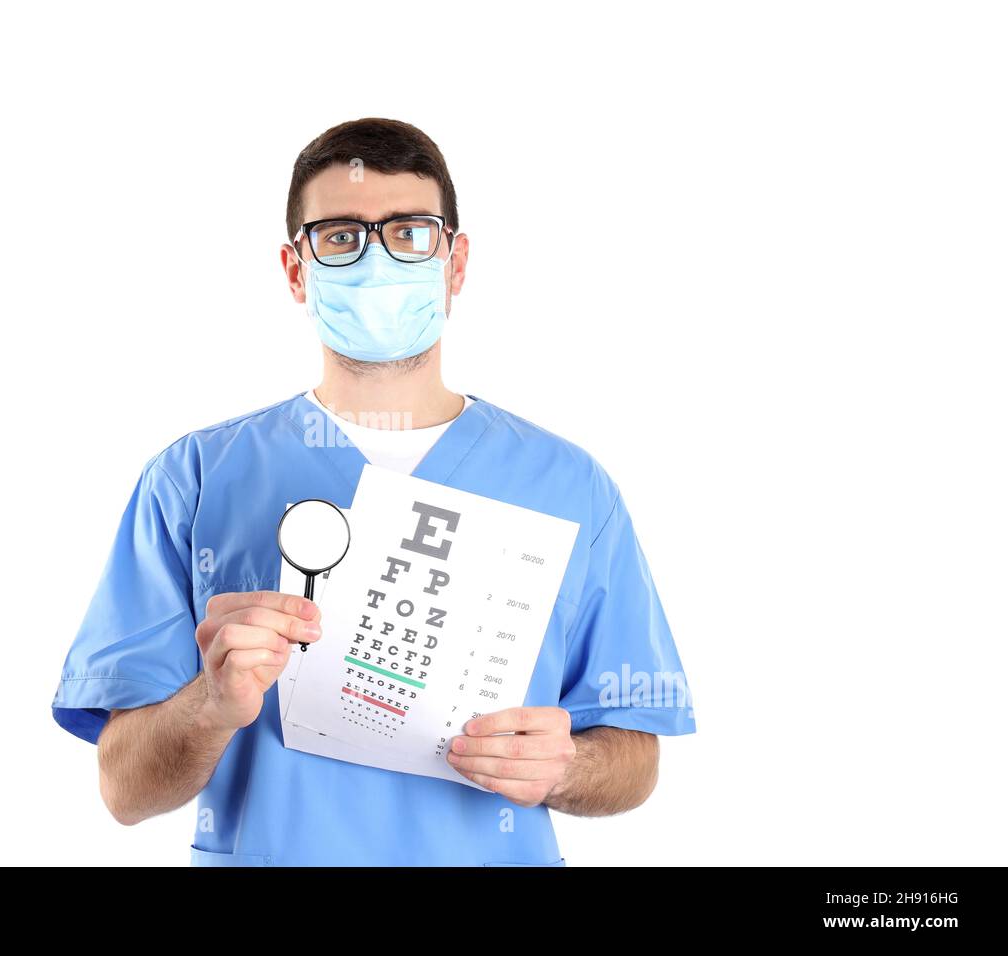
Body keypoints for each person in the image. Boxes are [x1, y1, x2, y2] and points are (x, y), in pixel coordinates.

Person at [50, 117, 696, 867]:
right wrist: (211, 704)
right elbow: (125, 791)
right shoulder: (192, 479)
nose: (378, 260)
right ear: (297, 270)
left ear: (454, 264)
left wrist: (567, 767)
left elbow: (634, 760)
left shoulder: (572, 487)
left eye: (411, 233)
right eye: (340, 237)